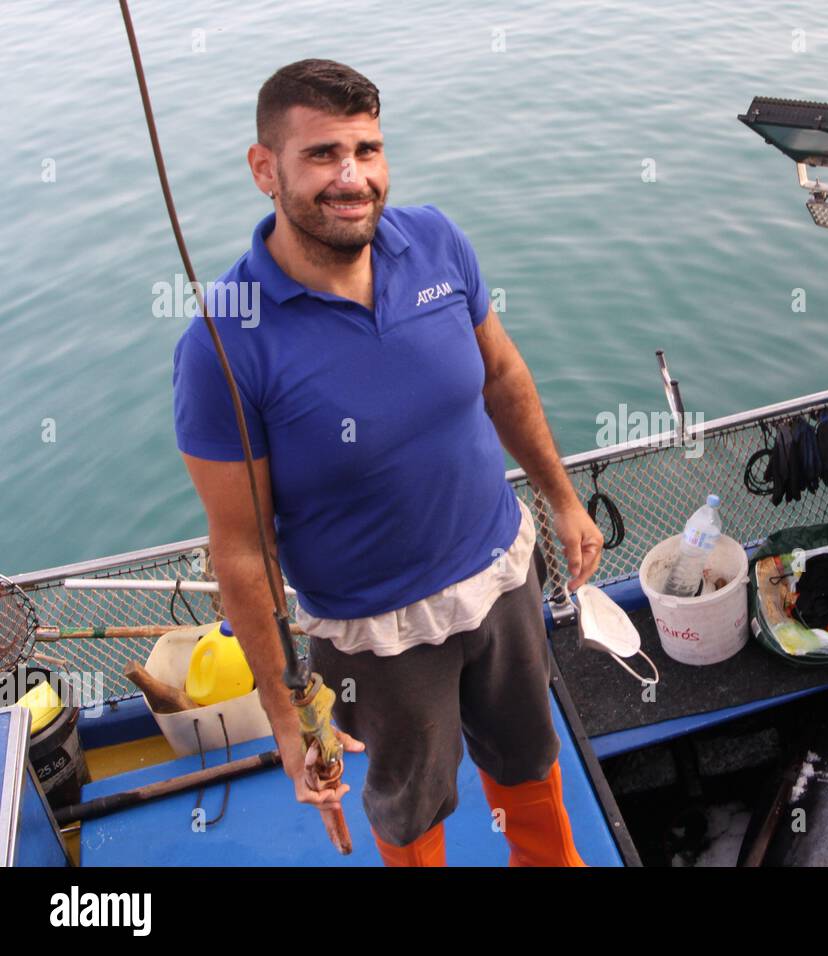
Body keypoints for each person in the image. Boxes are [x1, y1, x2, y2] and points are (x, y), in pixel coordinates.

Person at [172, 59, 603, 866]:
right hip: (378, 632)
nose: (352, 177)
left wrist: (562, 499)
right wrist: (287, 710)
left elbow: (504, 378)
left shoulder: (435, 241)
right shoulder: (222, 346)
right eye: (322, 155)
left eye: (368, 150)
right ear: (264, 168)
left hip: (504, 572)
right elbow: (241, 547)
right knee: (411, 802)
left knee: (528, 753)